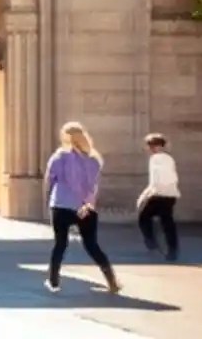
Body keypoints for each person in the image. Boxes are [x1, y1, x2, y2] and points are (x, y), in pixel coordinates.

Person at [45, 121, 120, 294]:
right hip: (85, 206)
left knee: (60, 244)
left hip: (61, 204)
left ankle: (54, 282)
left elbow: (50, 179)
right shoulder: (94, 159)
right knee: (92, 245)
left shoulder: (59, 156)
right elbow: (94, 185)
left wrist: (49, 199)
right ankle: (112, 281)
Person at [136, 133, 180, 261]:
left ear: (154, 146)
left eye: (149, 146)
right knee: (167, 222)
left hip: (159, 194)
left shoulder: (155, 159)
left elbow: (155, 181)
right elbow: (173, 177)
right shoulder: (169, 158)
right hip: (171, 194)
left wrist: (144, 196)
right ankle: (172, 250)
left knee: (143, 217)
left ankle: (152, 243)